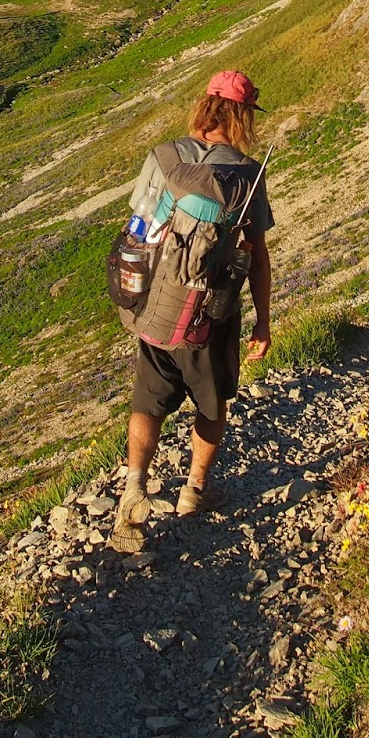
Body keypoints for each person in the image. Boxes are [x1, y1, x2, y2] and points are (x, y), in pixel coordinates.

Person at [112, 70, 273, 554]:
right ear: (241, 116)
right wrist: (263, 320)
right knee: (211, 403)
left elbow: (139, 223)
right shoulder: (245, 174)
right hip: (207, 314)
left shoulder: (163, 157)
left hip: (154, 310)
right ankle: (193, 492)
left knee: (147, 402)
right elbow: (257, 252)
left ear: (205, 106)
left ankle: (134, 487)